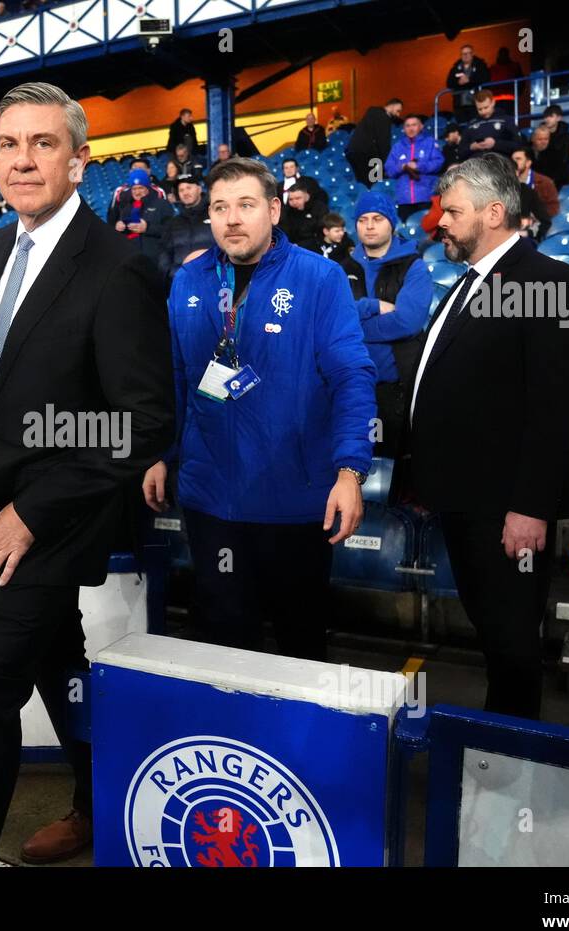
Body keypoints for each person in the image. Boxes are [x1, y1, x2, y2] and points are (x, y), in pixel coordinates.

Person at [0, 82, 173, 867]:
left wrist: (32, 512)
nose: (23, 160)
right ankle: (99, 805)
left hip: (53, 521)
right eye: (9, 145)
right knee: (60, 666)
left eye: (43, 143)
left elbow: (143, 422)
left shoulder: (118, 266)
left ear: (80, 160)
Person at [144, 155, 374, 661]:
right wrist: (161, 453)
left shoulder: (320, 278)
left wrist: (350, 470)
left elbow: (351, 376)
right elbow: (176, 378)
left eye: (245, 205)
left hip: (294, 502)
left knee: (300, 644)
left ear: (273, 210)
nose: (231, 218)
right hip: (212, 502)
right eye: (220, 207)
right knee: (223, 644)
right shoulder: (189, 281)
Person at [406, 154, 569, 720]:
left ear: (493, 212)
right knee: (493, 638)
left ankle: (510, 766)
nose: (440, 221)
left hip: (507, 512)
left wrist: (529, 509)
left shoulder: (551, 282)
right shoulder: (466, 285)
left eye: (453, 211)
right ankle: (492, 753)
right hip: (465, 504)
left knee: (512, 648)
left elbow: (553, 409)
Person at [349, 192, 434, 457]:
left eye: (377, 219)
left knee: (400, 466)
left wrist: (355, 328)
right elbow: (332, 318)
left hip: (398, 385)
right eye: (362, 220)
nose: (370, 225)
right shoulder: (341, 267)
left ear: (391, 223)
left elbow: (406, 322)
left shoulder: (414, 266)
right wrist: (371, 306)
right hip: (354, 383)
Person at [110, 167, 175, 270]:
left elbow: (171, 231)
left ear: (147, 188)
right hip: (132, 260)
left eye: (141, 188)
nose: (137, 192)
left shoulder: (162, 204)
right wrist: (118, 228)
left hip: (157, 261)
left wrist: (147, 228)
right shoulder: (126, 208)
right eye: (134, 189)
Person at [385, 114, 445, 221]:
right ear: (404, 128)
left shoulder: (430, 142)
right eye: (407, 126)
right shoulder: (398, 146)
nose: (411, 128)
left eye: (414, 125)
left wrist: (419, 166)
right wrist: (401, 167)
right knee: (405, 232)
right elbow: (389, 169)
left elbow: (439, 163)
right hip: (404, 199)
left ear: (421, 126)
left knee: (427, 233)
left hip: (426, 196)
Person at [157, 171, 212, 285]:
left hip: (214, 282)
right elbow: (165, 254)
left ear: (199, 189)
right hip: (183, 284)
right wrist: (172, 274)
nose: (185, 192)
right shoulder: (173, 222)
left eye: (189, 187)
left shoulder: (215, 214)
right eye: (181, 190)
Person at [346, 98, 403, 185]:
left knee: (363, 183)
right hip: (368, 154)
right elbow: (383, 144)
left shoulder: (372, 113)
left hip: (354, 152)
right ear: (392, 106)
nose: (398, 114)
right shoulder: (384, 118)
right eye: (398, 110)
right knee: (375, 184)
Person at [458, 90, 518, 160]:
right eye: (480, 109)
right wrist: (472, 147)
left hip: (499, 161)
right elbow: (460, 151)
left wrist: (495, 144)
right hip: (476, 163)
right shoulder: (471, 124)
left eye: (486, 107)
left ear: (493, 102)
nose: (483, 112)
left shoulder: (506, 120)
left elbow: (517, 145)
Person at [511, 144, 559, 218]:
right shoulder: (506, 182)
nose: (514, 162)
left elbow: (553, 207)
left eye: (518, 159)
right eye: (512, 159)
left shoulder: (546, 182)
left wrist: (535, 216)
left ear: (528, 163)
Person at [446, 43, 491, 123]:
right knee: (462, 127)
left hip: (475, 102)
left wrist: (470, 80)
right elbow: (449, 82)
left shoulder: (480, 65)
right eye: (463, 54)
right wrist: (458, 82)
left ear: (472, 54)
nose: (465, 55)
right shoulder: (455, 68)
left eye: (468, 53)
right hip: (459, 104)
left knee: (476, 125)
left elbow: (486, 78)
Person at [279, 184, 327, 249]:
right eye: (291, 199)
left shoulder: (319, 208)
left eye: (298, 198)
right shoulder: (286, 211)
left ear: (307, 196)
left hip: (315, 247)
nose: (294, 202)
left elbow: (320, 233)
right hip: (291, 246)